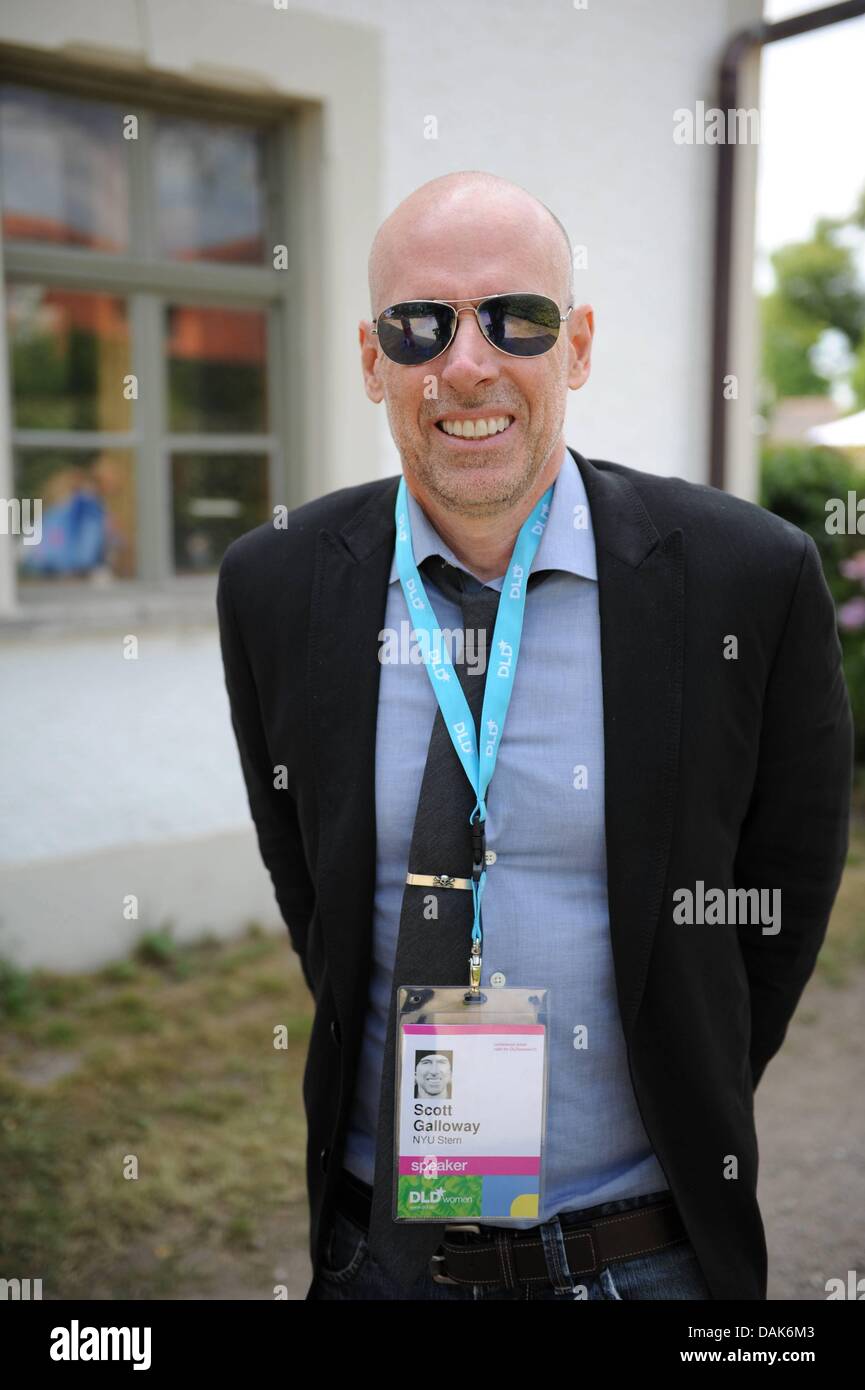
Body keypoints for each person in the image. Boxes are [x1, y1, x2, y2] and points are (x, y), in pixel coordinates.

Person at [216, 170, 853, 1301]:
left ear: (579, 345)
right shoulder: (273, 584)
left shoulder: (745, 576)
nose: (466, 364)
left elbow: (785, 882)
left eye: (518, 318)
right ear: (371, 360)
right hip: (381, 1254)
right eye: (418, 326)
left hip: (645, 1255)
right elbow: (307, 877)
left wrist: (693, 1070)